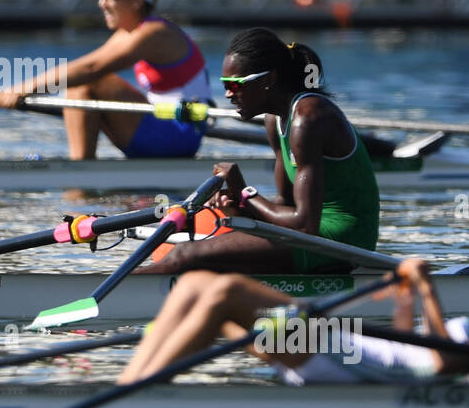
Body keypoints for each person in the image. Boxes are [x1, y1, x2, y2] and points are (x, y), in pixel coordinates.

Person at [118, 257, 469, 385]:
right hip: (357, 352)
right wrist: (407, 295)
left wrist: (427, 288)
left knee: (221, 289)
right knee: (196, 285)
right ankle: (134, 385)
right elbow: (421, 346)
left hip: (352, 360)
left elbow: (443, 359)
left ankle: (130, 392)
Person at [134, 27, 379, 276]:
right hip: (312, 232)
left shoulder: (308, 119)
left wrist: (244, 193)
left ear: (269, 80)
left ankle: (102, 304)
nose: (228, 94)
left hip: (342, 241)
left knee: (185, 254)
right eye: (225, 85)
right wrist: (237, 205)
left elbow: (304, 225)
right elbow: (285, 205)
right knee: (192, 239)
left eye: (236, 85)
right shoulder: (274, 120)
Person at [0, 0, 210, 159]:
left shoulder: (155, 33)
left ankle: (80, 173)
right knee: (79, 87)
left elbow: (90, 69)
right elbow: (85, 66)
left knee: (85, 83)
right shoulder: (129, 34)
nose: (102, 3)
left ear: (137, 1)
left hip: (180, 134)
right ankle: (82, 167)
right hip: (162, 124)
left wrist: (22, 90)